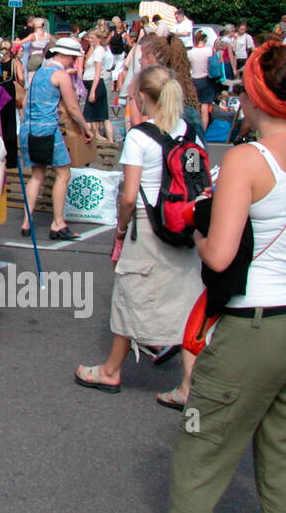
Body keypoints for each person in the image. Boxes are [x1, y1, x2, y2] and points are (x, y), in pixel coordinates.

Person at [168, 43, 286, 513]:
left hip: (256, 324)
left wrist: (199, 227)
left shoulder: (247, 159)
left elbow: (220, 256)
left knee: (199, 458)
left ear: (257, 96)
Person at [74, 66, 203, 403]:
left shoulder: (139, 137)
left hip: (147, 224)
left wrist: (120, 228)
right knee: (188, 302)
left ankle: (111, 370)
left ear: (143, 99)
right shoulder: (189, 131)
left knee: (129, 294)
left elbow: (129, 196)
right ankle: (189, 383)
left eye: (131, 97)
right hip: (183, 224)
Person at [18, 38, 92, 240]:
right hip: (48, 129)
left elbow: (25, 102)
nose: (75, 62)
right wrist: (87, 128)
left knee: (37, 175)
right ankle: (58, 223)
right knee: (63, 173)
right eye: (74, 58)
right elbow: (73, 108)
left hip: (28, 128)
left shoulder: (38, 72)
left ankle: (26, 221)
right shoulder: (61, 75)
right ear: (65, 55)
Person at [81, 29, 114, 143]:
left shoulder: (99, 51)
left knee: (91, 115)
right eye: (89, 37)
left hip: (96, 84)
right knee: (99, 115)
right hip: (92, 84)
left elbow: (98, 72)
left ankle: (102, 138)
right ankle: (106, 139)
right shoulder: (95, 50)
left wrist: (93, 91)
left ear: (99, 39)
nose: (90, 40)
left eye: (92, 38)